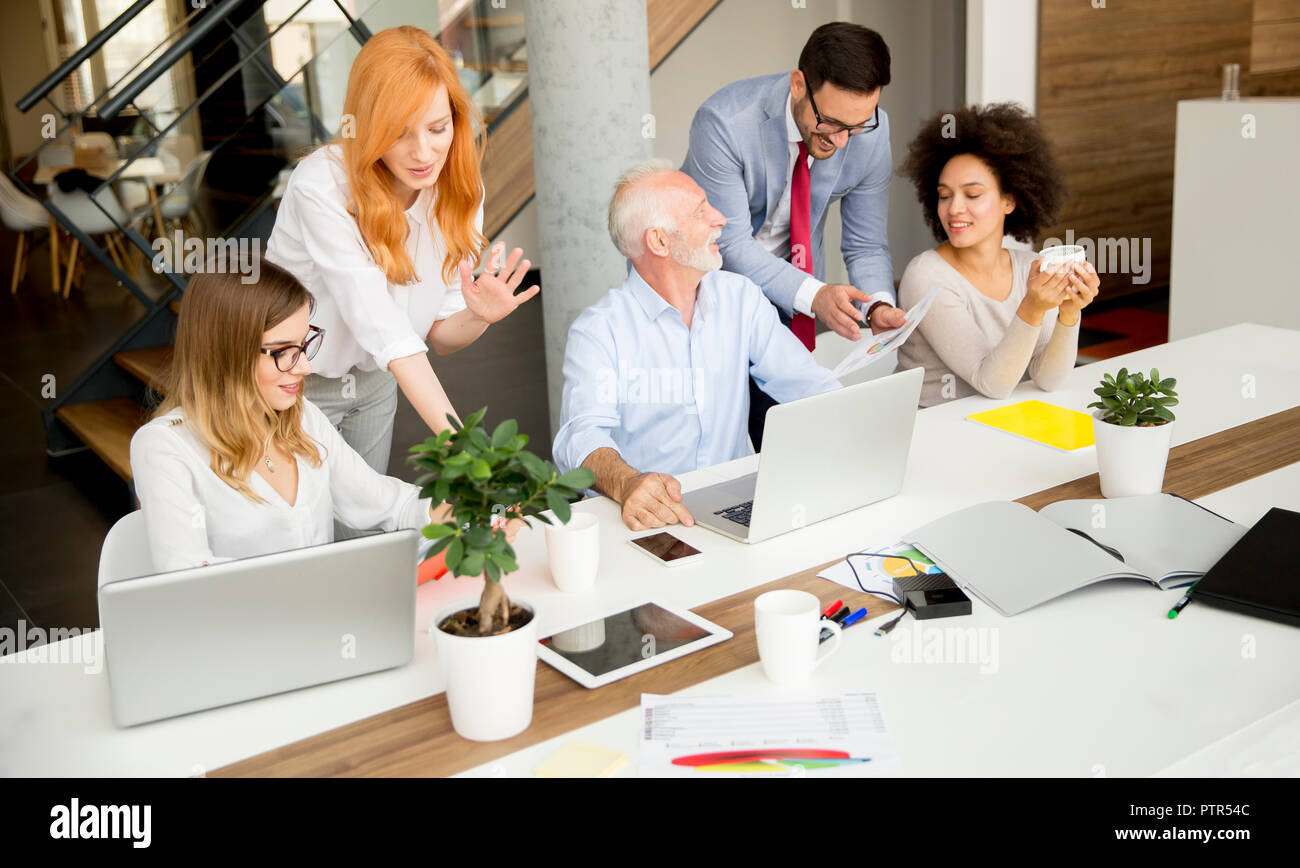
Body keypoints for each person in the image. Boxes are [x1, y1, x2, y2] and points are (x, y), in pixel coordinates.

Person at [267, 25, 537, 476]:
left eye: (437, 128)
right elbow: (385, 331)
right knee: (306, 537)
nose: (424, 152)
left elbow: (439, 337)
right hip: (294, 383)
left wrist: (478, 315)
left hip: (375, 382)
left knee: (366, 532)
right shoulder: (322, 187)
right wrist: (466, 453)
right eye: (400, 134)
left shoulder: (458, 192)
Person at [552, 161, 839, 532]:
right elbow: (580, 435)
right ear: (659, 241)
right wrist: (627, 484)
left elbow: (808, 385)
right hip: (649, 518)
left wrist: (867, 422)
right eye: (700, 211)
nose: (721, 218)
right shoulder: (599, 330)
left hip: (741, 505)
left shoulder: (741, 298)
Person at [130, 263, 455, 574]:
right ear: (226, 353)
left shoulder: (301, 420)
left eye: (304, 344)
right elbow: (187, 577)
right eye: (283, 351)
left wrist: (483, 518)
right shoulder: (164, 447)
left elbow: (391, 505)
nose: (305, 367)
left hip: (322, 618)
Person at [681, 21, 907, 447]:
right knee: (714, 435)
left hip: (789, 291)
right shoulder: (725, 123)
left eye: (858, 125)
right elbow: (729, 246)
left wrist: (878, 302)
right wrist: (816, 295)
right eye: (832, 123)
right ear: (799, 84)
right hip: (706, 291)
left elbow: (865, 243)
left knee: (789, 430)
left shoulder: (868, 132)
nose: (843, 142)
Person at [895, 103, 1100, 407]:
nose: (953, 209)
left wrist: (1069, 314)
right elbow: (990, 382)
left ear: (1009, 200)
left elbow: (1048, 379)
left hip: (996, 421)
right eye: (944, 195)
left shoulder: (1029, 266)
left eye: (973, 195)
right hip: (929, 428)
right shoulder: (926, 277)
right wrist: (1032, 307)